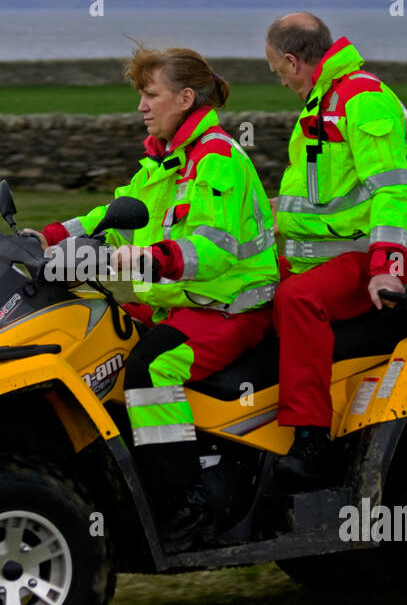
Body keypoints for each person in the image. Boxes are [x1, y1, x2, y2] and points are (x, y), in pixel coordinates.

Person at [23, 46, 279, 551]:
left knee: (150, 367)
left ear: (185, 98)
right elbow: (112, 218)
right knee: (94, 328)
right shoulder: (162, 164)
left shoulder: (218, 160)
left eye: (150, 94)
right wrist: (47, 238)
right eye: (140, 94)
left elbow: (214, 249)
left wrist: (136, 261)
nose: (141, 105)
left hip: (230, 308)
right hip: (184, 304)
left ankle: (185, 505)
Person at [264, 13, 407, 482]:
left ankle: (312, 440)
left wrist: (386, 266)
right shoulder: (324, 102)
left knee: (298, 300)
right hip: (327, 254)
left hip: (366, 259)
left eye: (277, 71)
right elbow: (323, 199)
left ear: (293, 62)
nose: (279, 81)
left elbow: (394, 190)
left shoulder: (362, 100)